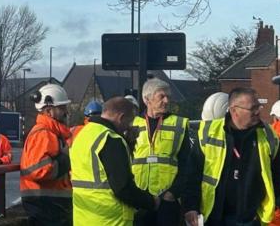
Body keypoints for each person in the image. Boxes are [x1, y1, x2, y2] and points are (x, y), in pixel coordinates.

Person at [184, 87, 280, 226]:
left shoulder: (268, 135)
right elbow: (192, 174)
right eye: (253, 108)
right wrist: (190, 206)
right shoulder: (209, 132)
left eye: (258, 106)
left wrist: (266, 207)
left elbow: (278, 176)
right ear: (234, 110)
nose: (258, 111)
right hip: (213, 217)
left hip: (250, 219)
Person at [71, 96, 161, 225]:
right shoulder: (111, 139)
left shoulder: (83, 135)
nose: (129, 126)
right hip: (111, 220)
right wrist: (151, 202)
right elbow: (122, 187)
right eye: (129, 121)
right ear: (121, 117)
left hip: (84, 218)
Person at [131, 79, 192, 226]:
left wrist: (173, 193)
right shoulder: (132, 123)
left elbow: (186, 164)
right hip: (140, 198)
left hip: (167, 200)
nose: (166, 100)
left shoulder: (179, 124)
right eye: (161, 96)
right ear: (147, 99)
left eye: (168, 97)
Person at [20, 83, 73, 225]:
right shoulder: (44, 134)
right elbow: (37, 171)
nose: (66, 112)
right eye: (62, 108)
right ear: (49, 111)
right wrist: (67, 159)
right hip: (44, 205)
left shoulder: (51, 133)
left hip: (48, 204)